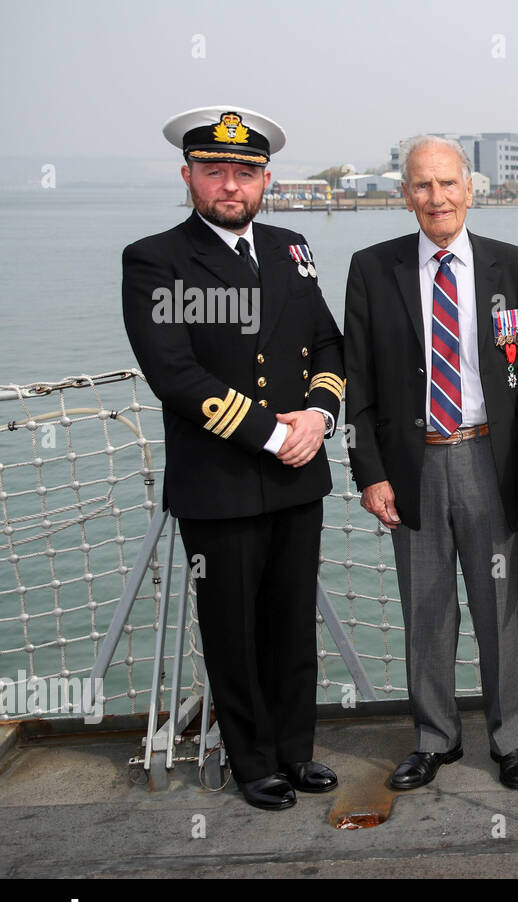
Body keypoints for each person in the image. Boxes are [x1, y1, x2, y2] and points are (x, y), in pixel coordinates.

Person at [121, 106, 344, 810]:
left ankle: (295, 749)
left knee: (291, 620)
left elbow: (329, 345)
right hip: (220, 478)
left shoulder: (291, 246)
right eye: (213, 170)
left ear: (265, 179)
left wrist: (319, 413)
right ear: (187, 175)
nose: (229, 184)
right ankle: (253, 761)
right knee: (233, 628)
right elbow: (175, 374)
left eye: (243, 172)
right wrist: (273, 433)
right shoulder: (155, 258)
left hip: (299, 472)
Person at [344, 136, 518, 791]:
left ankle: (510, 738)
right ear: (405, 195)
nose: (437, 198)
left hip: (493, 460)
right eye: (422, 186)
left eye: (448, 184)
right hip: (416, 467)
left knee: (500, 609)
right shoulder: (373, 270)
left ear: (470, 188)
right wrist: (370, 473)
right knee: (426, 611)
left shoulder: (516, 267)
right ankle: (434, 737)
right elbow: (359, 383)